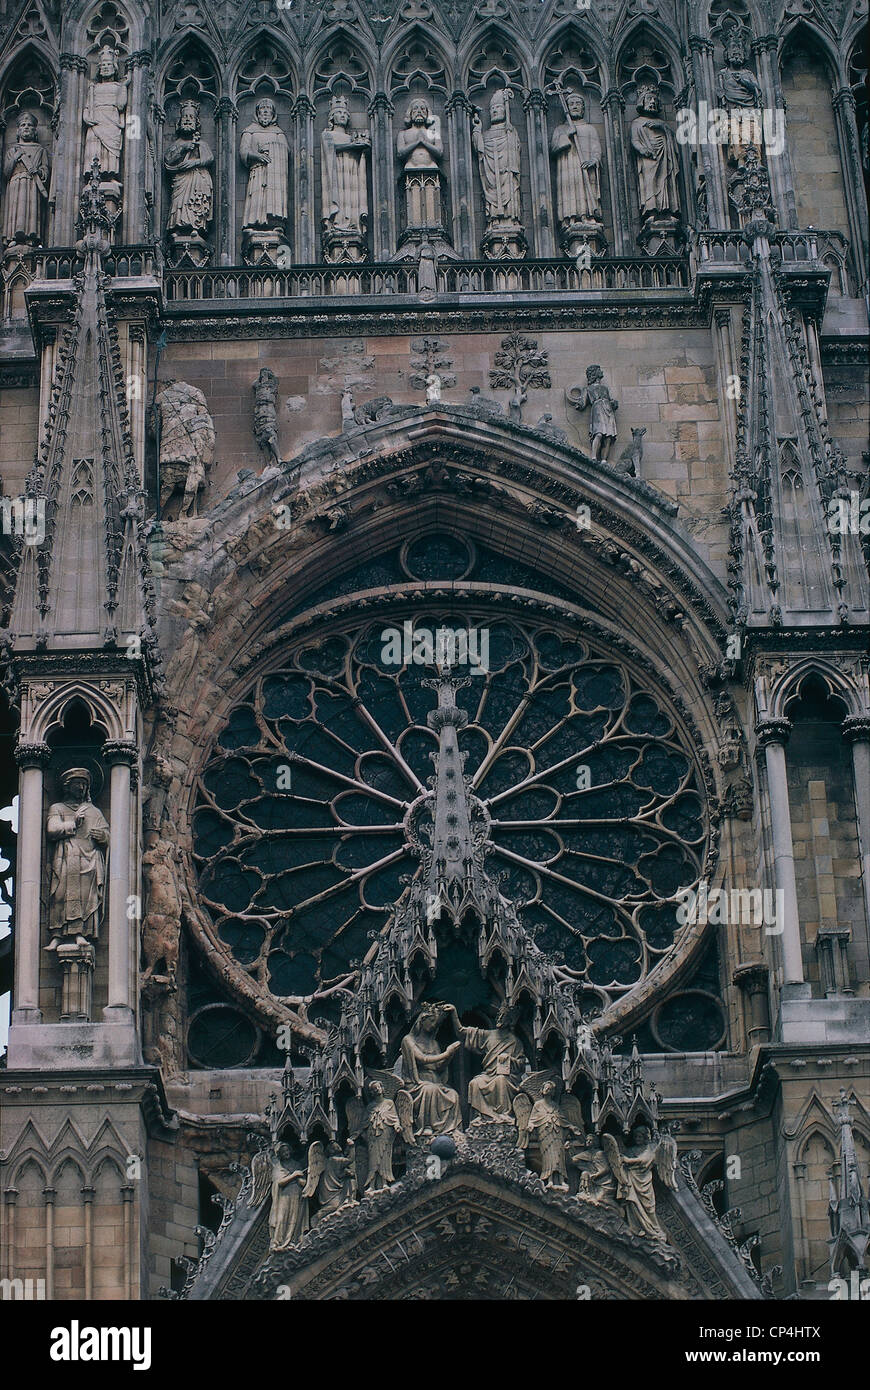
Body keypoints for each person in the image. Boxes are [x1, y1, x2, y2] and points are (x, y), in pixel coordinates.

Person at [45, 769, 109, 951]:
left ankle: (81, 933)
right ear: (68, 786)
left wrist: (103, 837)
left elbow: (107, 834)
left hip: (88, 859)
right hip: (65, 857)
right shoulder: (57, 808)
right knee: (60, 895)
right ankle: (57, 935)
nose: (81, 787)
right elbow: (51, 829)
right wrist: (73, 823)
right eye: (77, 784)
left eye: (84, 784)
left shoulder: (93, 811)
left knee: (84, 897)